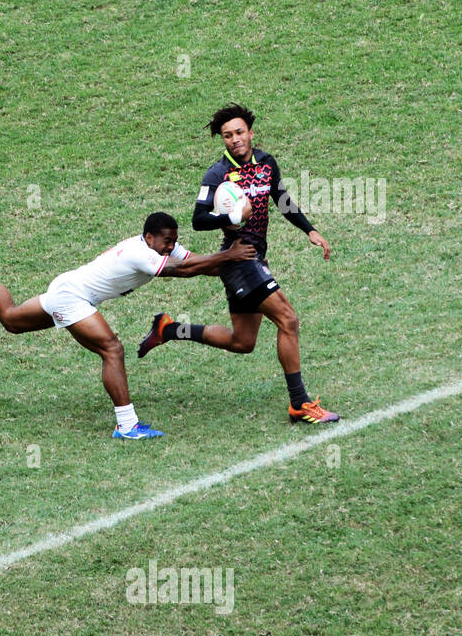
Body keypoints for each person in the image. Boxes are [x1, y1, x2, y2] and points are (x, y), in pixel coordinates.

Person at [0, 212, 255, 438]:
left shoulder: (160, 245)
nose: (172, 246)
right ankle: (127, 425)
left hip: (69, 288)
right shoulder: (140, 253)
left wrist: (242, 265)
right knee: (112, 348)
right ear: (149, 237)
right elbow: (180, 271)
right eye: (166, 241)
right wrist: (228, 256)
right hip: (72, 298)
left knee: (11, 319)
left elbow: (195, 263)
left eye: (173, 241)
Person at [137, 104, 339, 424]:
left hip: (254, 260)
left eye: (239, 133)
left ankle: (171, 329)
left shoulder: (266, 164)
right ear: (223, 139)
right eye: (227, 135)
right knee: (288, 319)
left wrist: (310, 230)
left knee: (242, 342)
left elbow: (282, 200)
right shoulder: (217, 174)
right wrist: (231, 216)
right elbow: (199, 218)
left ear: (250, 133)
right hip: (238, 259)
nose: (234, 139)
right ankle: (299, 404)